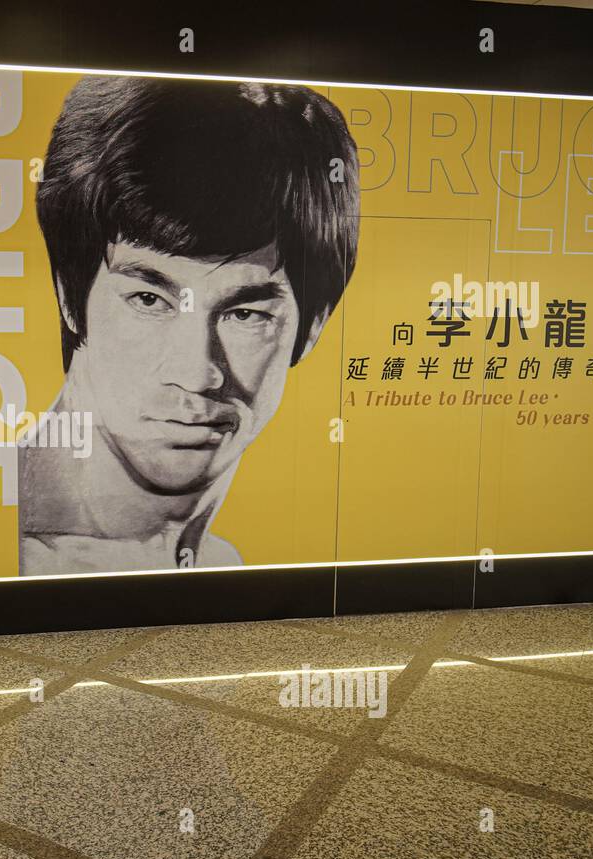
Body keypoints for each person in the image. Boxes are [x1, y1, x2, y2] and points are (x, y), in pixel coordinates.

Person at [21, 78, 360, 574]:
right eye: (148, 299)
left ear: (311, 328)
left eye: (244, 313)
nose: (197, 373)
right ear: (70, 297)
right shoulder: (23, 557)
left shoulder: (215, 559)